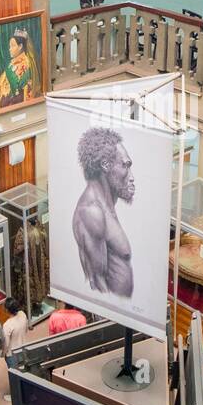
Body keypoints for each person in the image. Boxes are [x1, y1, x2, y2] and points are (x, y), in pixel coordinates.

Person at [72, 126, 136, 297]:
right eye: (125, 166)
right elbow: (97, 283)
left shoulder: (105, 206)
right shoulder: (91, 212)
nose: (131, 177)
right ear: (106, 165)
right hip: (115, 316)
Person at [0, 28, 41, 111]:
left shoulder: (25, 64)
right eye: (9, 46)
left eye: (13, 46)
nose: (9, 49)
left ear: (20, 46)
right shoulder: (12, 63)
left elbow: (16, 92)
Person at [2, 296, 27, 403]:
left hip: (12, 353)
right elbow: (25, 329)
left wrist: (3, 353)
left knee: (14, 376)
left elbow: (6, 343)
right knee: (24, 371)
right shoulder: (23, 314)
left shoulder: (7, 325)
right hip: (23, 347)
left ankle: (15, 395)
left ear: (7, 310)